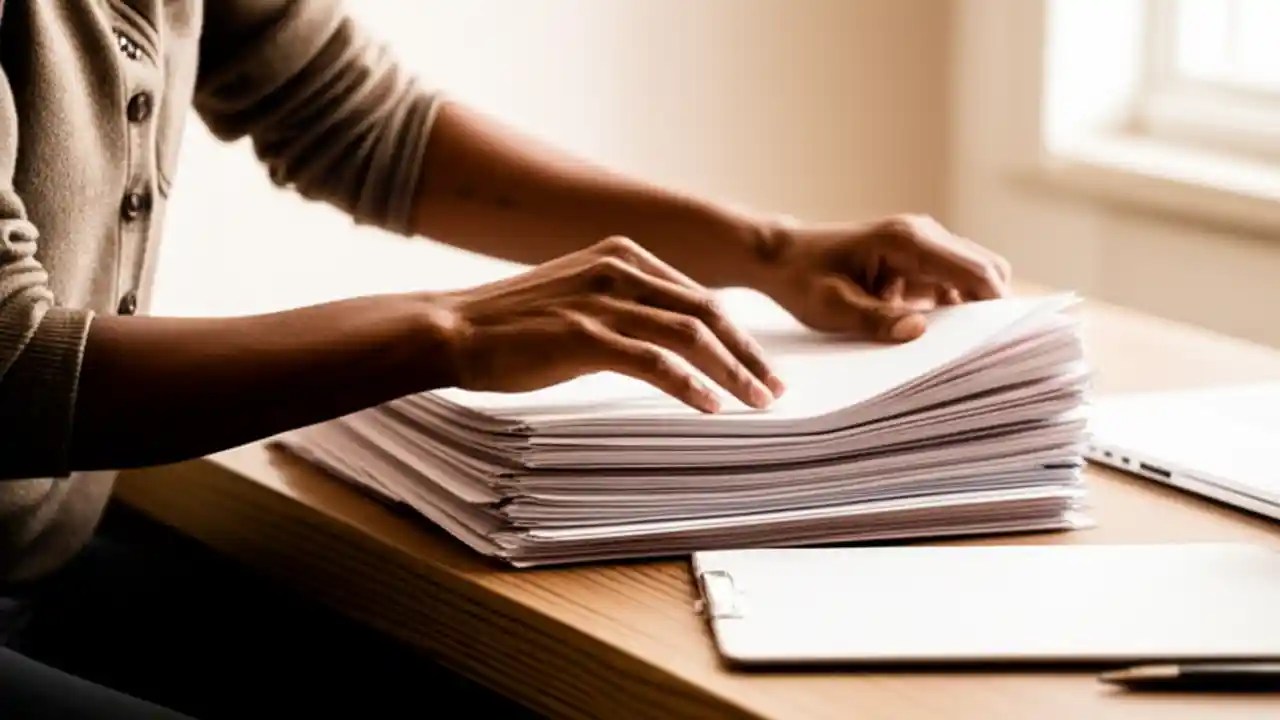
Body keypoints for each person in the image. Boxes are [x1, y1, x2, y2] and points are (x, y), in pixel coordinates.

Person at [0, 1, 1012, 717]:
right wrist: (450, 332)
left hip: (47, 561)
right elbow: (11, 370)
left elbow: (351, 116)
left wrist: (769, 251)